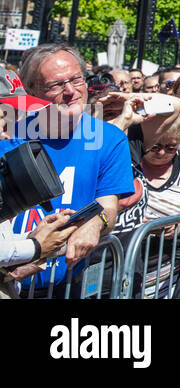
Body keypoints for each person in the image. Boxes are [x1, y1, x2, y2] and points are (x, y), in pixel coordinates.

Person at [3, 45, 135, 296]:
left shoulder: (109, 139)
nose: (71, 91)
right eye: (56, 85)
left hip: (65, 285)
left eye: (76, 79)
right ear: (32, 92)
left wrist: (94, 224)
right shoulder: (8, 135)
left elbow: (108, 206)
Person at [116, 109, 180, 298]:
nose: (162, 153)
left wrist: (177, 228)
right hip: (127, 269)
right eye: (155, 147)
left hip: (175, 271)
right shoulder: (125, 164)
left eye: (171, 147)